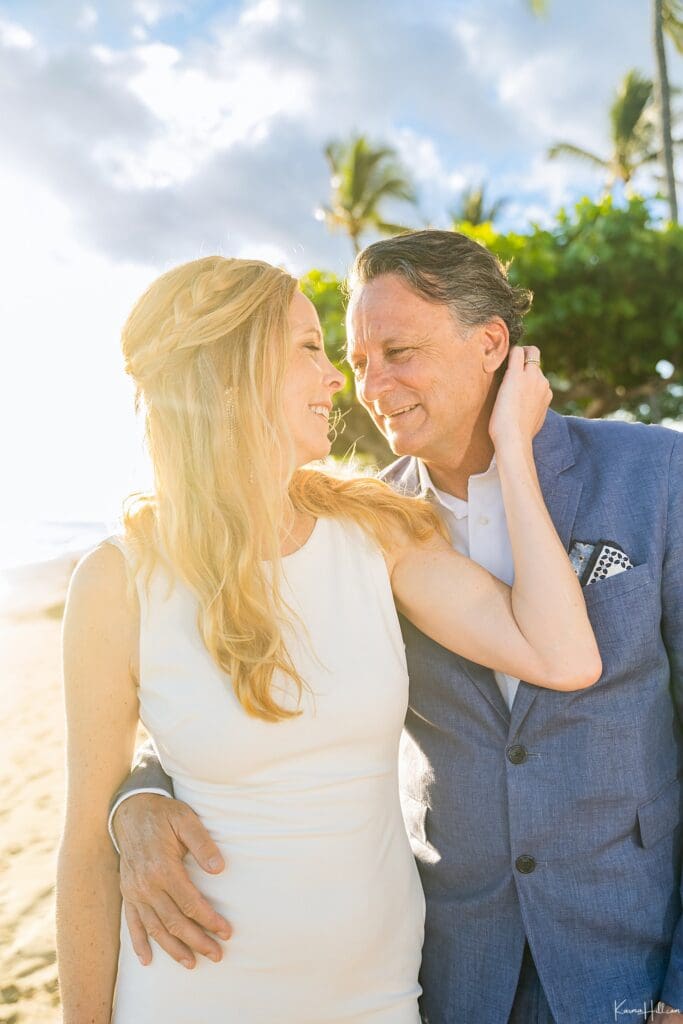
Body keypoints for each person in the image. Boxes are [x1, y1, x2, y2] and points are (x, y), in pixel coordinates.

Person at [110, 233, 683, 1024]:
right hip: (451, 968)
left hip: (631, 954)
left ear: (489, 343)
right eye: (354, 358)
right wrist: (137, 798)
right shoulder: (360, 524)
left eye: (399, 351)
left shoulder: (655, 476)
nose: (369, 387)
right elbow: (214, 686)